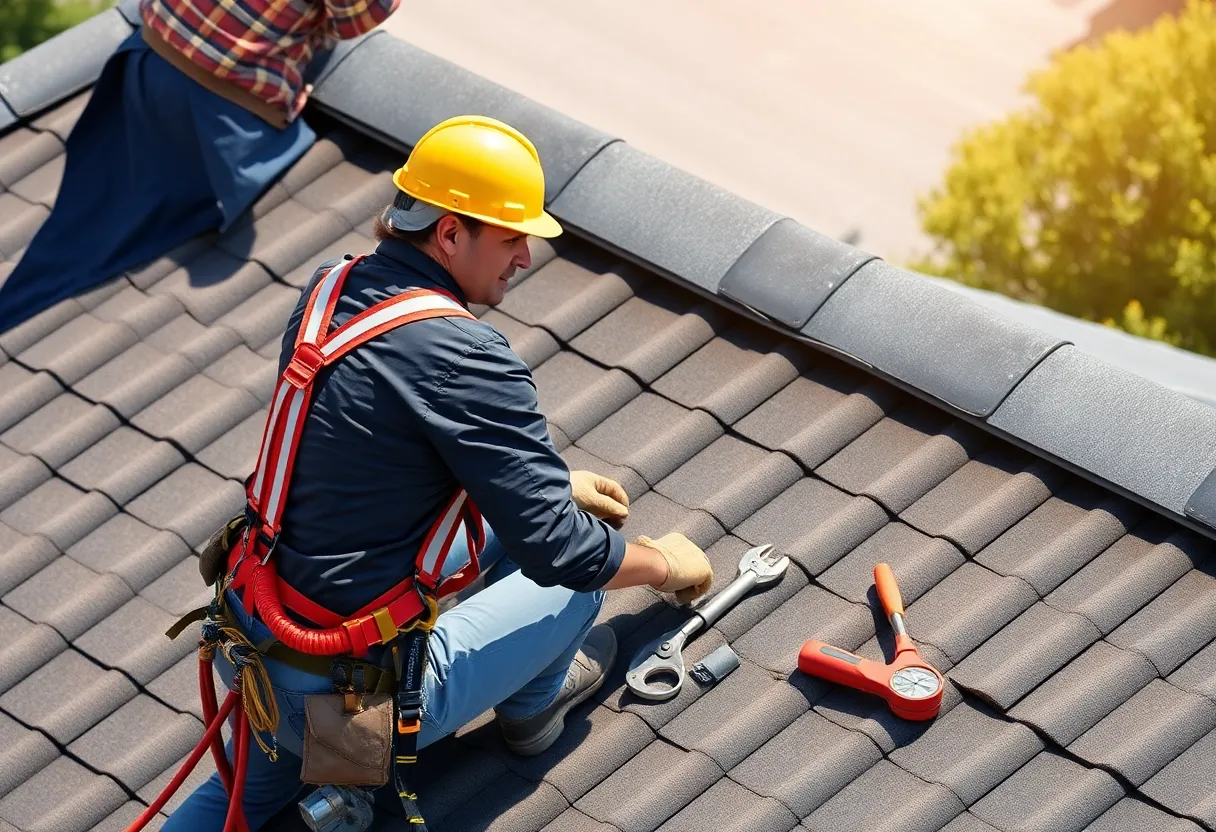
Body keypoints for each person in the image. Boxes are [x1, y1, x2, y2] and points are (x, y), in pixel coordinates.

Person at [158, 115, 716, 831]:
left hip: (260, 648)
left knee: (247, 790)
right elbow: (564, 553)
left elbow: (368, 457)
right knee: (579, 584)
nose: (525, 258)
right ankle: (532, 711)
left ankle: (310, 756)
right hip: (344, 703)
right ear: (450, 233)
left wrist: (540, 488)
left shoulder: (332, 288)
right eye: (511, 238)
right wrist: (661, 566)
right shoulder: (466, 355)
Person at [0, 0, 398, 332]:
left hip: (146, 55)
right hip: (220, 109)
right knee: (109, 240)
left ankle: (20, 300)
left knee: (89, 217)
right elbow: (361, 16)